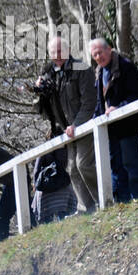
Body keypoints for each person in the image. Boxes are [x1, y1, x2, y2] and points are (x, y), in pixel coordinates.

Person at [40, 35, 98, 213]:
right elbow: (43, 110)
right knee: (72, 169)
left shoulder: (82, 67)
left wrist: (77, 124)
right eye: (53, 52)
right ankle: (87, 208)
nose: (57, 55)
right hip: (65, 131)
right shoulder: (48, 73)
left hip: (84, 125)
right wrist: (38, 92)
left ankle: (103, 199)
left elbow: (90, 102)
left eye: (60, 51)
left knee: (83, 164)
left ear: (67, 50)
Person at [90, 38, 138, 202]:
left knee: (132, 166)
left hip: (128, 126)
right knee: (116, 170)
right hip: (111, 131)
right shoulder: (100, 73)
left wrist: (120, 107)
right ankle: (124, 206)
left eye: (100, 52)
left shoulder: (125, 65)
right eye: (95, 55)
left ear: (109, 49)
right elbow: (99, 103)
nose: (98, 57)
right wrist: (95, 119)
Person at [30, 132, 75, 225]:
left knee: (46, 220)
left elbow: (36, 170)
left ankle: (49, 231)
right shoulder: (66, 149)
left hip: (46, 189)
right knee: (64, 215)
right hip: (63, 186)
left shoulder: (44, 149)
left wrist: (35, 184)